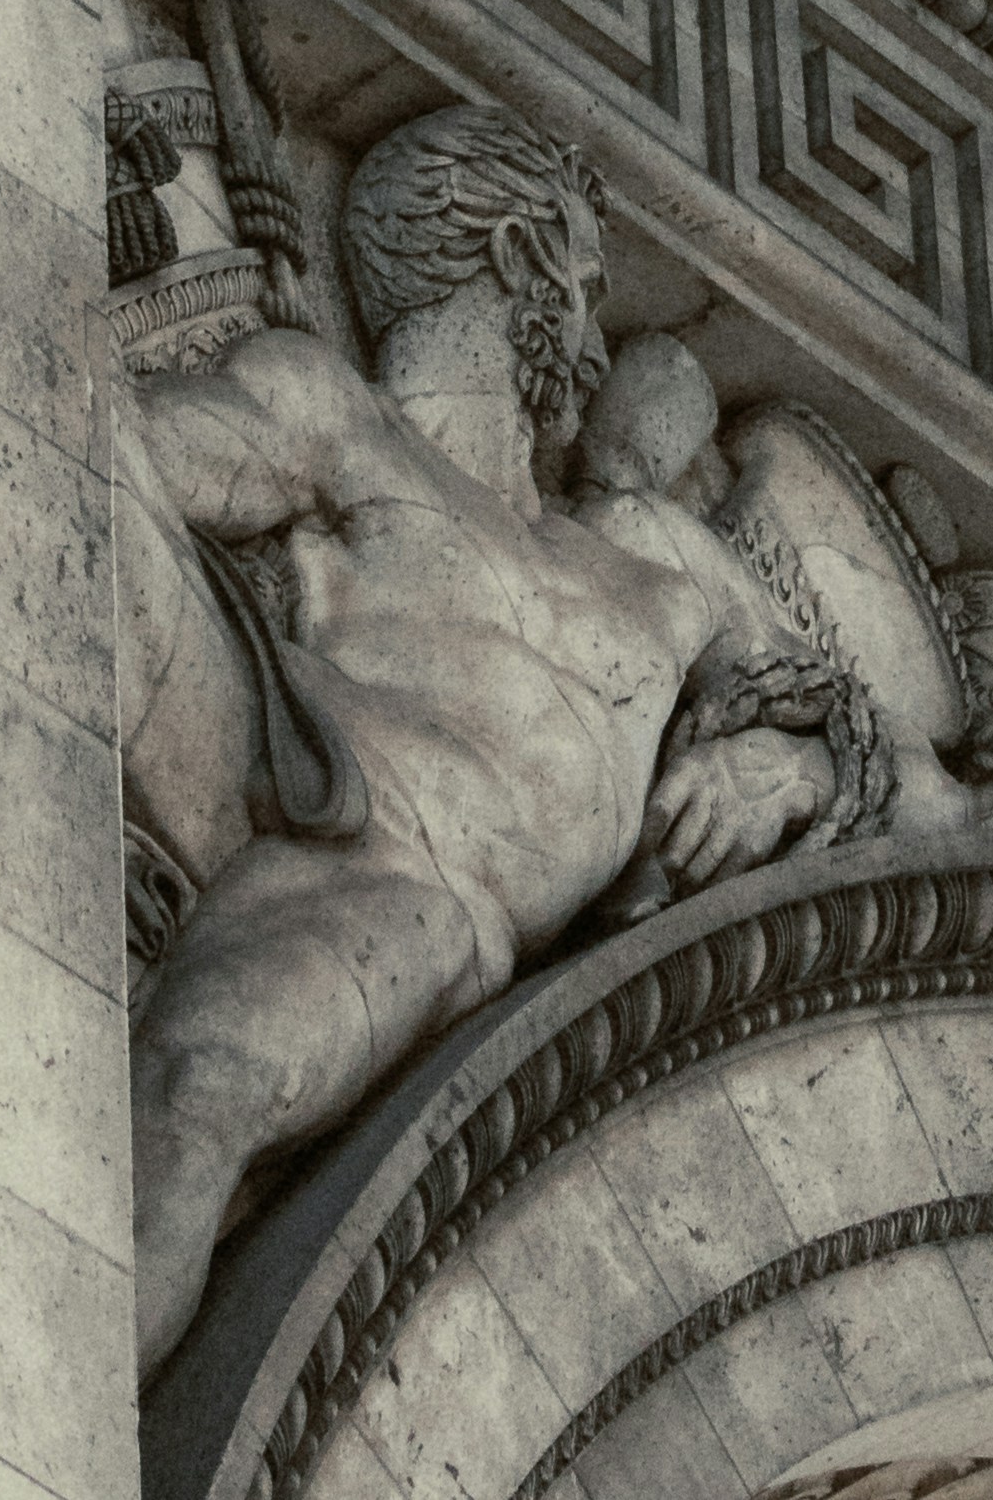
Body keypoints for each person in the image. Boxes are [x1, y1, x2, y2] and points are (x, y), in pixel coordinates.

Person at [111, 97, 883, 1367]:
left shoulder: (652, 560)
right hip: (377, 864)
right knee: (201, 1081)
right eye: (584, 281)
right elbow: (117, 451)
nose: (590, 328)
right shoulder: (336, 421)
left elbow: (848, 727)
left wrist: (776, 765)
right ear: (523, 262)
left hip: (526, 950)